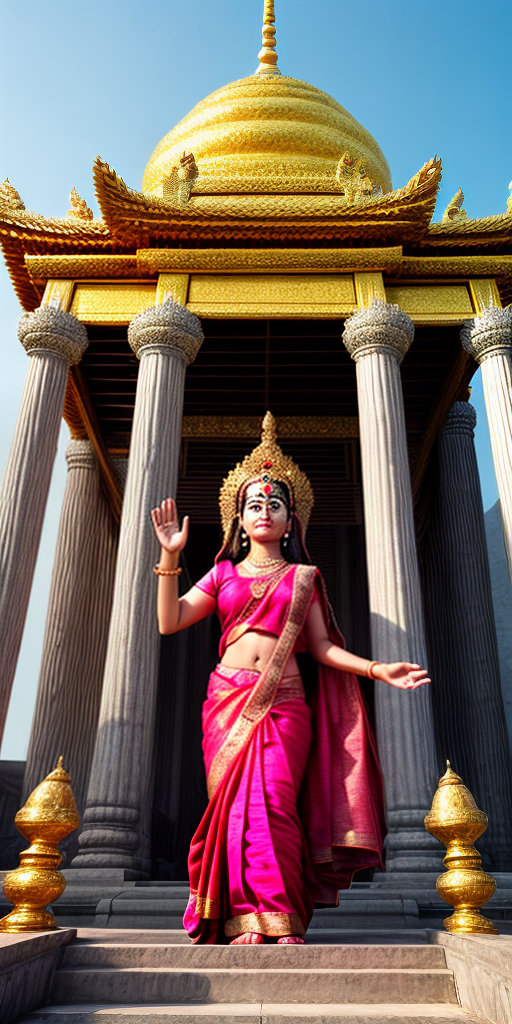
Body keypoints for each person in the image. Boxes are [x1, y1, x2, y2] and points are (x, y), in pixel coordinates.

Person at [151, 414, 430, 945]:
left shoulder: (304, 578)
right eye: (254, 504)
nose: (264, 511)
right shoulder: (222, 574)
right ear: (239, 518)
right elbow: (168, 623)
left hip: (285, 703)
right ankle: (241, 920)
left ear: (289, 519)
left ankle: (279, 918)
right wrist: (169, 557)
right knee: (232, 809)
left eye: (274, 504)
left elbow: (322, 649)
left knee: (275, 804)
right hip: (227, 700)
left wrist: (377, 669)